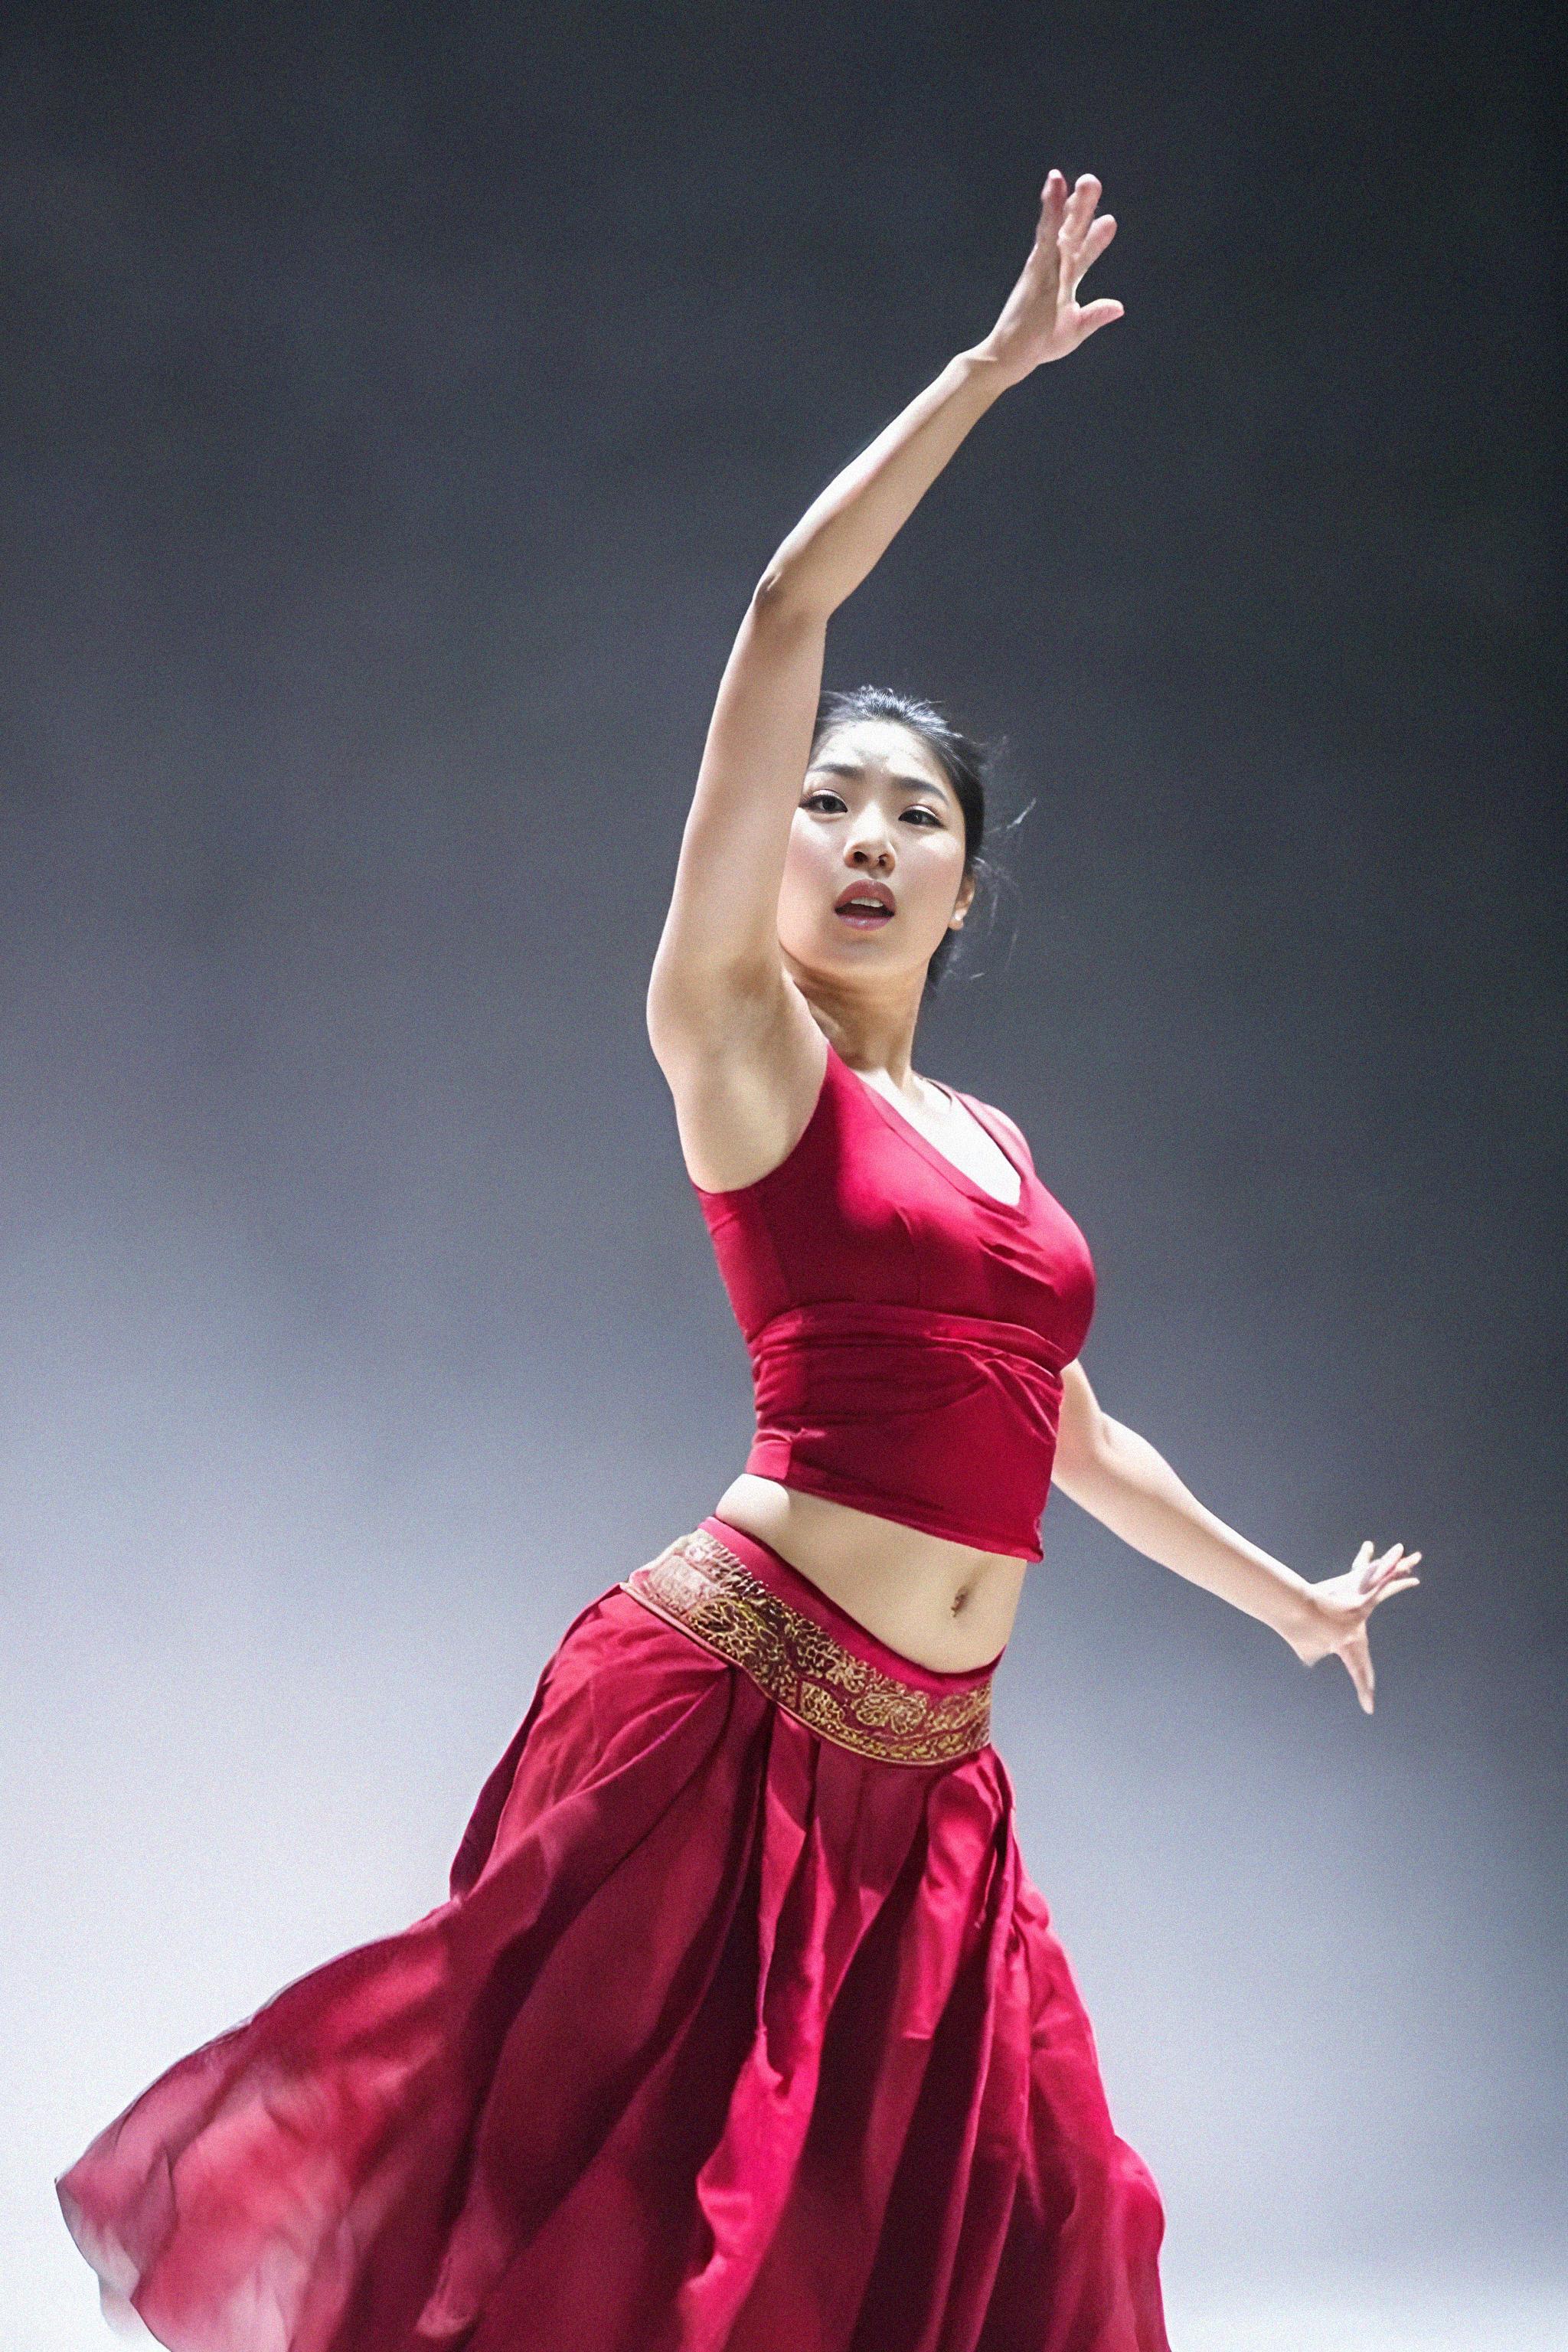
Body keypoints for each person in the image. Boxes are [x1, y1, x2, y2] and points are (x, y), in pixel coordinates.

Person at [55, 166, 1421, 2352]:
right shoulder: (740, 1056)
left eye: (919, 818)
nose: (868, 838)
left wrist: (1291, 1601)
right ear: (775, 854)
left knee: (1048, 2231)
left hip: (936, 1778)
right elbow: (786, 611)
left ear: (968, 892)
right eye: (833, 805)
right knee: (621, 2253)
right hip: (724, 1727)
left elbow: (1057, 1426)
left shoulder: (991, 1143)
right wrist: (989, 376)